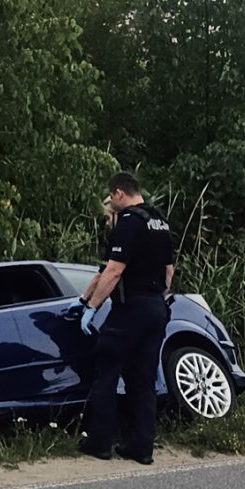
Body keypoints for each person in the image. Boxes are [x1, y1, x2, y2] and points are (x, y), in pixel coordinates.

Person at [77, 172, 175, 465]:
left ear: (119, 193)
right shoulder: (160, 221)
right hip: (156, 308)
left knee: (106, 371)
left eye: (111, 198)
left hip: (130, 308)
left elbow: (113, 271)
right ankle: (141, 448)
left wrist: (92, 307)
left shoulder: (130, 222)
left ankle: (100, 442)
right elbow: (169, 272)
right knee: (143, 380)